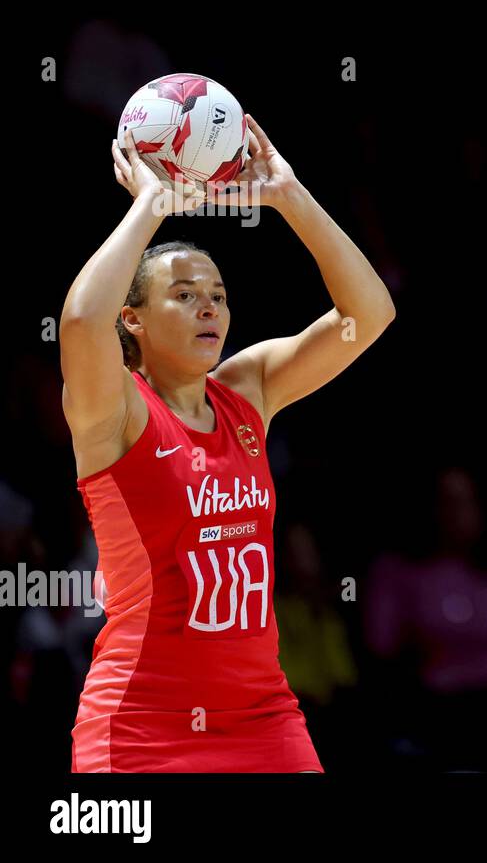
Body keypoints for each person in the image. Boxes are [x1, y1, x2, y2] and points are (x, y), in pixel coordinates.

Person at [60, 117, 396, 771]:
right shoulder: (116, 410)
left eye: (216, 295)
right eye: (183, 296)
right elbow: (79, 320)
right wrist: (149, 207)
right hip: (141, 724)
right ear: (132, 319)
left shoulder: (249, 391)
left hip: (264, 715)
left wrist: (289, 195)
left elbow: (370, 314)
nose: (209, 308)